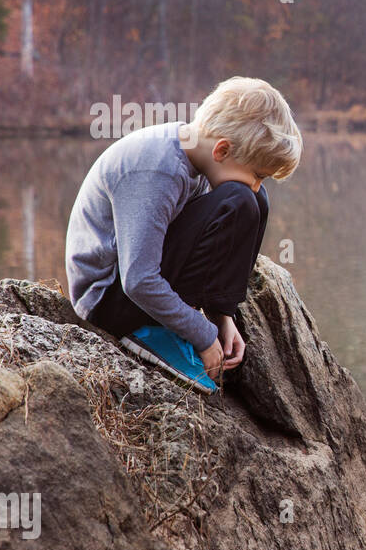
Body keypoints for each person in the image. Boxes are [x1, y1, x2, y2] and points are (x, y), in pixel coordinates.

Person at [65, 77, 302, 393]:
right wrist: (202, 334)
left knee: (254, 200)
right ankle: (150, 333)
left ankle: (192, 319)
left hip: (135, 285)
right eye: (258, 175)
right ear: (222, 149)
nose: (258, 183)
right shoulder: (157, 170)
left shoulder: (199, 156)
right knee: (241, 199)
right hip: (108, 300)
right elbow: (138, 279)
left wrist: (221, 318)